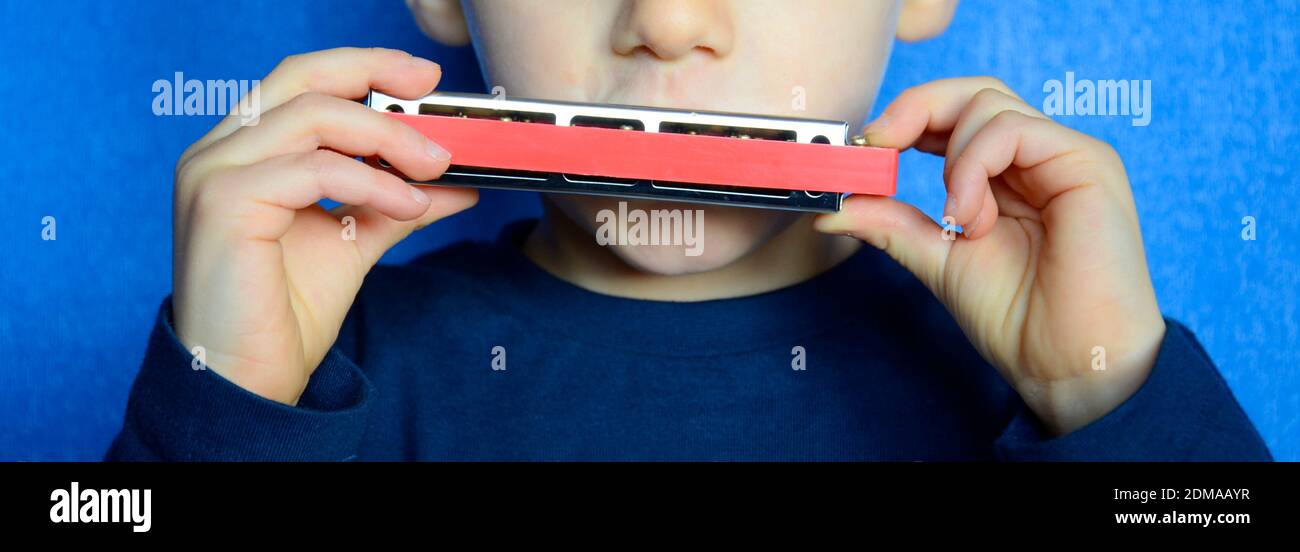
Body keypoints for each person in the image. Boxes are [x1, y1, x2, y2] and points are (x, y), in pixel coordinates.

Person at [108, 0, 1271, 460]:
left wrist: (1110, 397)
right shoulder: (317, 376)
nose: (666, 22)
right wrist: (224, 407)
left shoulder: (1026, 379)